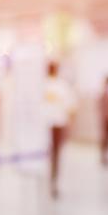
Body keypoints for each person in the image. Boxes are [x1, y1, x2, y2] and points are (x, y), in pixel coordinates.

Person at [43, 60, 76, 198]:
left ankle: (47, 178)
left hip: (45, 124)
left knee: (45, 153)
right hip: (58, 124)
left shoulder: (41, 85)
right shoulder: (63, 86)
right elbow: (71, 107)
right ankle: (53, 179)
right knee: (56, 153)